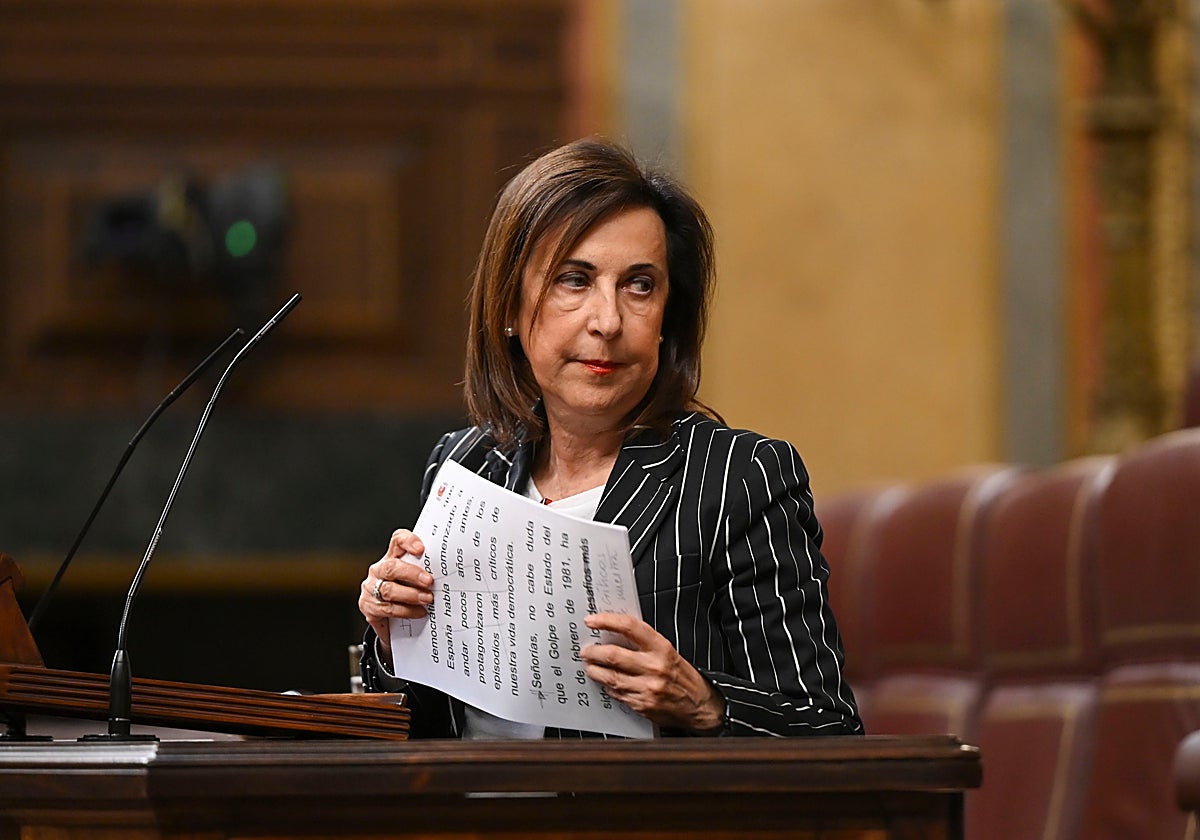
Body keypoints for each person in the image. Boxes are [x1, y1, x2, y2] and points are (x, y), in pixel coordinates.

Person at [358, 138, 862, 738]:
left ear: (667, 320)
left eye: (640, 285)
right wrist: (394, 641)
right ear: (510, 310)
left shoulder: (738, 477)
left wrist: (701, 702)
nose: (609, 321)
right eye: (575, 280)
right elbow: (425, 723)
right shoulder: (466, 466)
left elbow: (827, 729)